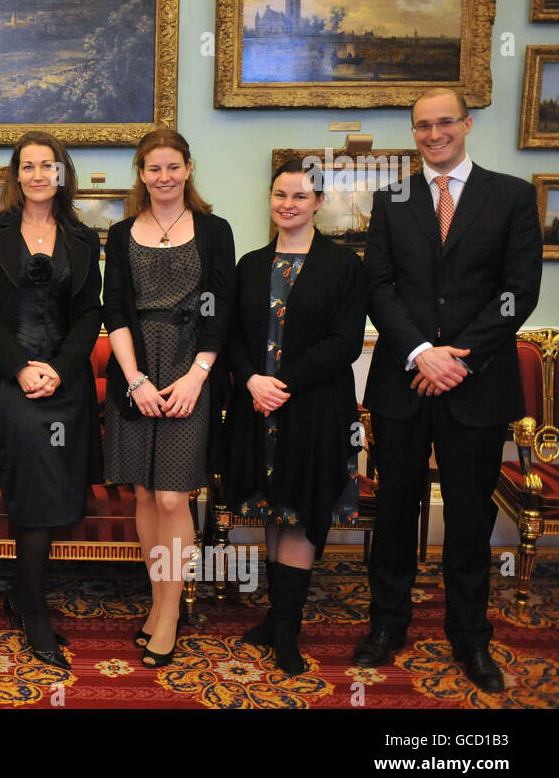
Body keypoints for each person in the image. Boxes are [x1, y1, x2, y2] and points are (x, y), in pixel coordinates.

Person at [356, 88, 541, 692]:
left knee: (469, 517)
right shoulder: (392, 199)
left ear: (465, 125)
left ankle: (470, 638)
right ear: (413, 133)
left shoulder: (511, 196)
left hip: (477, 382)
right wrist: (421, 353)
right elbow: (379, 286)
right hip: (403, 380)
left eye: (444, 123)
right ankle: (387, 623)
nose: (433, 134)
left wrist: (459, 358)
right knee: (394, 511)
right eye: (421, 126)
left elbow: (519, 291)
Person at [0, 131, 102, 671]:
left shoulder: (85, 236)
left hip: (66, 384)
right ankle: (34, 610)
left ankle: (23, 596)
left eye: (49, 166)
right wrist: (21, 368)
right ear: (15, 175)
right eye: (28, 166)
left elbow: (91, 313)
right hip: (9, 382)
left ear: (62, 174)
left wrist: (59, 371)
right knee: (33, 489)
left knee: (59, 490)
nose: (39, 175)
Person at [224, 159, 366, 674]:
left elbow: (347, 341)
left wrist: (283, 383)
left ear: (319, 203)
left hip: (313, 408)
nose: (288, 204)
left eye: (300, 197)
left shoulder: (344, 266)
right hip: (257, 405)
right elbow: (234, 336)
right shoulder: (251, 264)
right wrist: (252, 380)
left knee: (302, 508)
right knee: (273, 507)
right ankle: (273, 618)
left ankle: (286, 630)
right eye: (280, 195)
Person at [102, 128, 234, 669]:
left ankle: (172, 611)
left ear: (188, 168)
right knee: (143, 496)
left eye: (172, 167)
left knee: (175, 497)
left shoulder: (213, 229)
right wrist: (134, 379)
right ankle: (157, 604)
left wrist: (197, 376)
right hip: (135, 370)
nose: (163, 177)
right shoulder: (119, 231)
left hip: (190, 370)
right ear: (141, 173)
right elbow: (115, 310)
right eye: (153, 168)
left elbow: (222, 308)